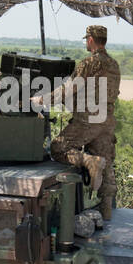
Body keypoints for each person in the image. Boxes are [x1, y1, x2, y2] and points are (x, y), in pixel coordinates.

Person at [34, 24, 120, 219]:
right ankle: (106, 211)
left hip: (89, 119)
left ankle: (89, 161)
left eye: (86, 39)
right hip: (107, 120)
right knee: (107, 166)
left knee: (58, 148)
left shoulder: (88, 63)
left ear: (90, 40)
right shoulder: (114, 64)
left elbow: (70, 88)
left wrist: (41, 100)